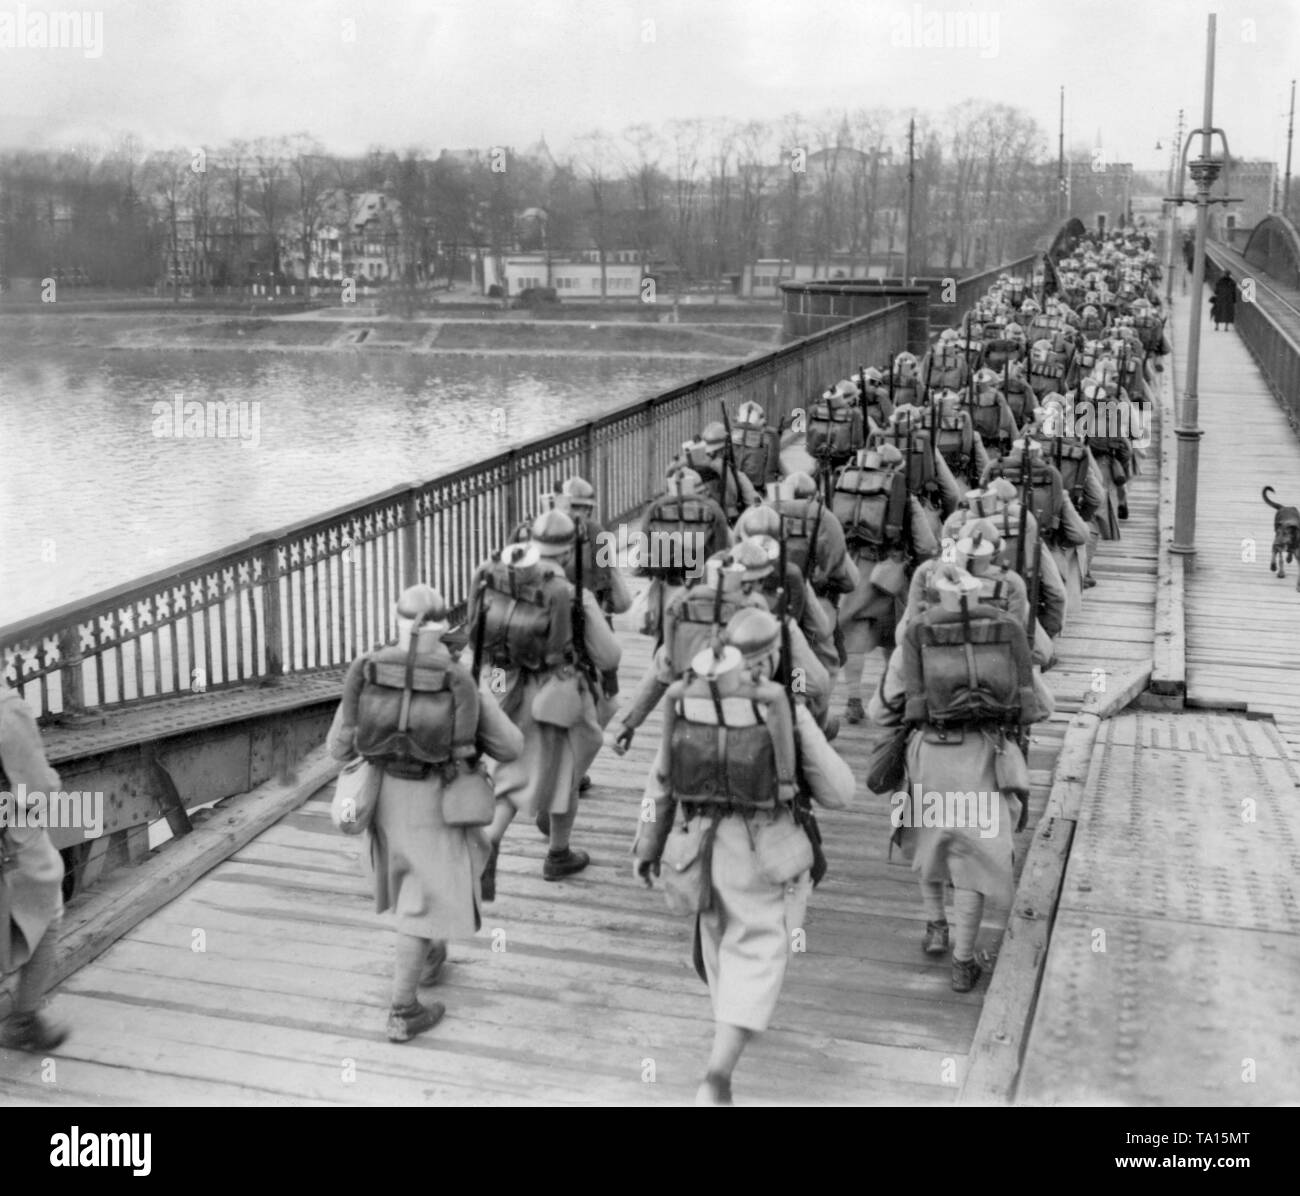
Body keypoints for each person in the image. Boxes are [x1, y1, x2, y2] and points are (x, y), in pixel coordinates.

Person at [632, 607, 854, 1105]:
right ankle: (717, 1076)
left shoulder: (689, 701)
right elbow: (842, 792)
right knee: (758, 951)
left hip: (697, 851)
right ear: (773, 654)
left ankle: (730, 1025)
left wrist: (648, 845)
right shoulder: (782, 711)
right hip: (764, 855)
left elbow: (659, 785)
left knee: (717, 941)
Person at [327, 585, 523, 1042]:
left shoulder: (370, 670)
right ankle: (403, 1009)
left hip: (383, 801)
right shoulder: (460, 677)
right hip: (440, 803)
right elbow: (511, 747)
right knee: (421, 897)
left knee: (414, 888)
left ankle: (430, 953)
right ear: (443, 628)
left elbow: (337, 748)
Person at [869, 563, 1053, 992]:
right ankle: (963, 962)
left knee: (929, 841)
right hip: (983, 759)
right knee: (972, 859)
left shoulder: (916, 635)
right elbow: (1041, 709)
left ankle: (935, 926)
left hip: (928, 757)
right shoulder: (1006, 634)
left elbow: (881, 712)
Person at [474, 512, 622, 893]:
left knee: (512, 773)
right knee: (566, 772)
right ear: (570, 552)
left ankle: (524, 845)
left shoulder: (501, 582)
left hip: (506, 686)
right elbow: (609, 657)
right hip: (558, 697)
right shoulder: (574, 596)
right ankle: (542, 850)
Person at [0, 683, 69, 1052]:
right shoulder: (7, 708)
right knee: (47, 909)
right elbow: (36, 788)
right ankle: (23, 1020)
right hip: (9, 836)